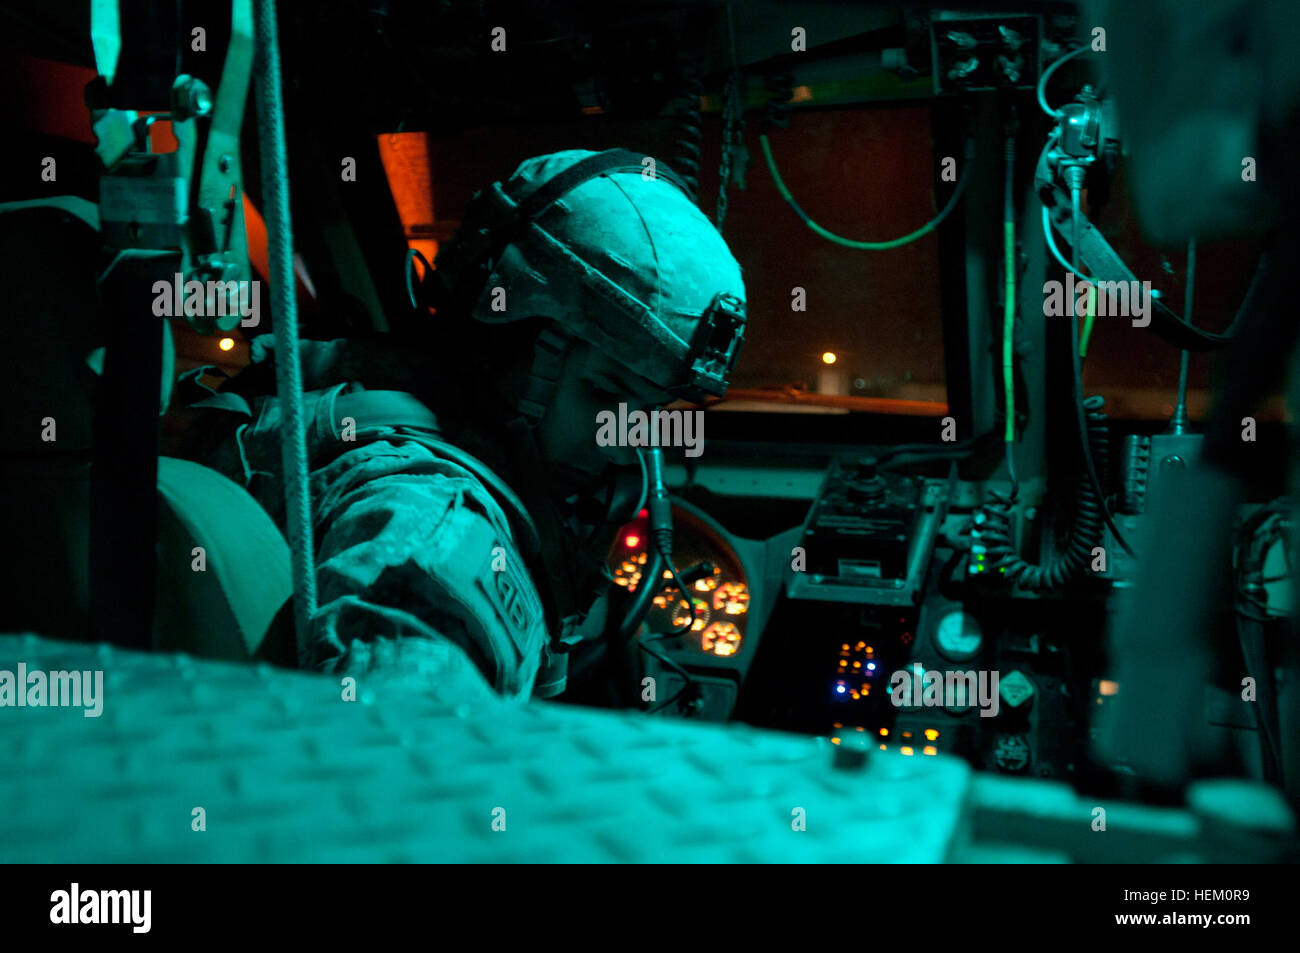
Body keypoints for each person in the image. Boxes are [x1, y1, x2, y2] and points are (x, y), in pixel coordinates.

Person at [181, 148, 747, 705]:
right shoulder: (432, 516)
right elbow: (401, 723)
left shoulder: (371, 391)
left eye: (648, 415)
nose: (624, 446)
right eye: (605, 394)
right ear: (504, 339)